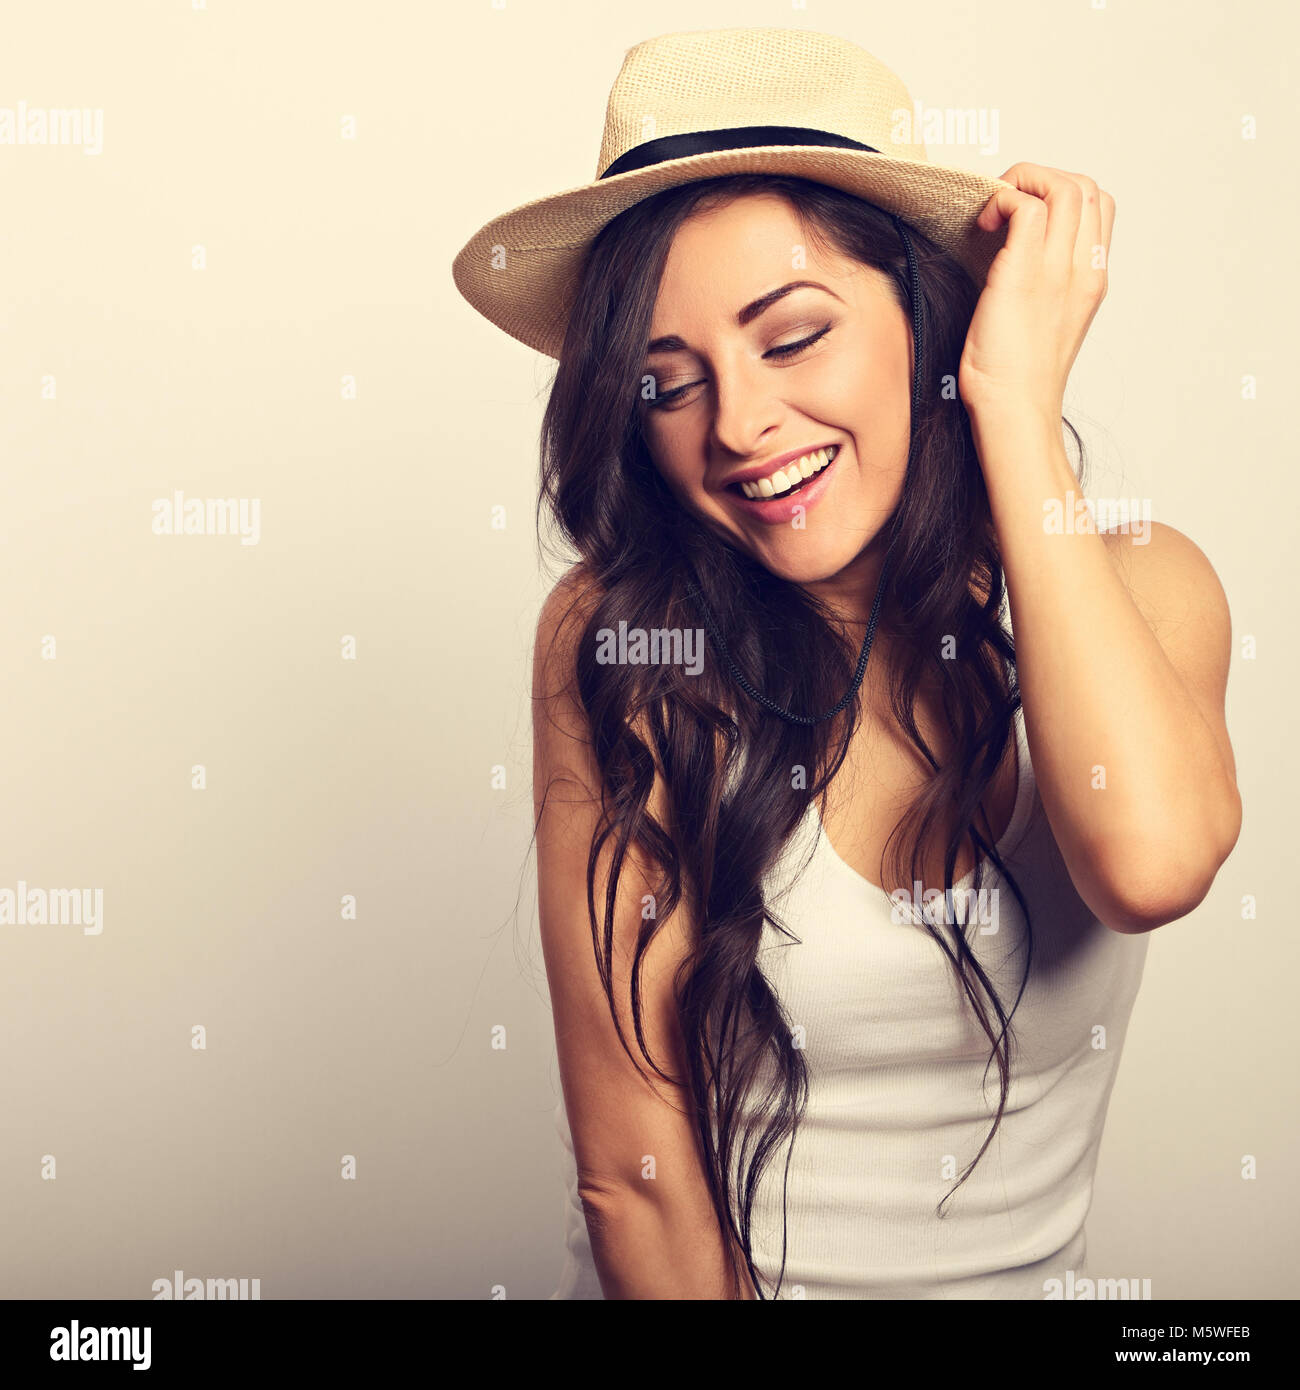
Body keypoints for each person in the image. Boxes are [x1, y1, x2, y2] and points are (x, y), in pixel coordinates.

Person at [452, 27, 1241, 1300]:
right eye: (667, 385)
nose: (740, 425)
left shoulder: (1146, 584)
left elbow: (1149, 862)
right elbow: (630, 1165)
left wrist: (1014, 410)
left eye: (793, 334)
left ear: (924, 316)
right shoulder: (621, 647)